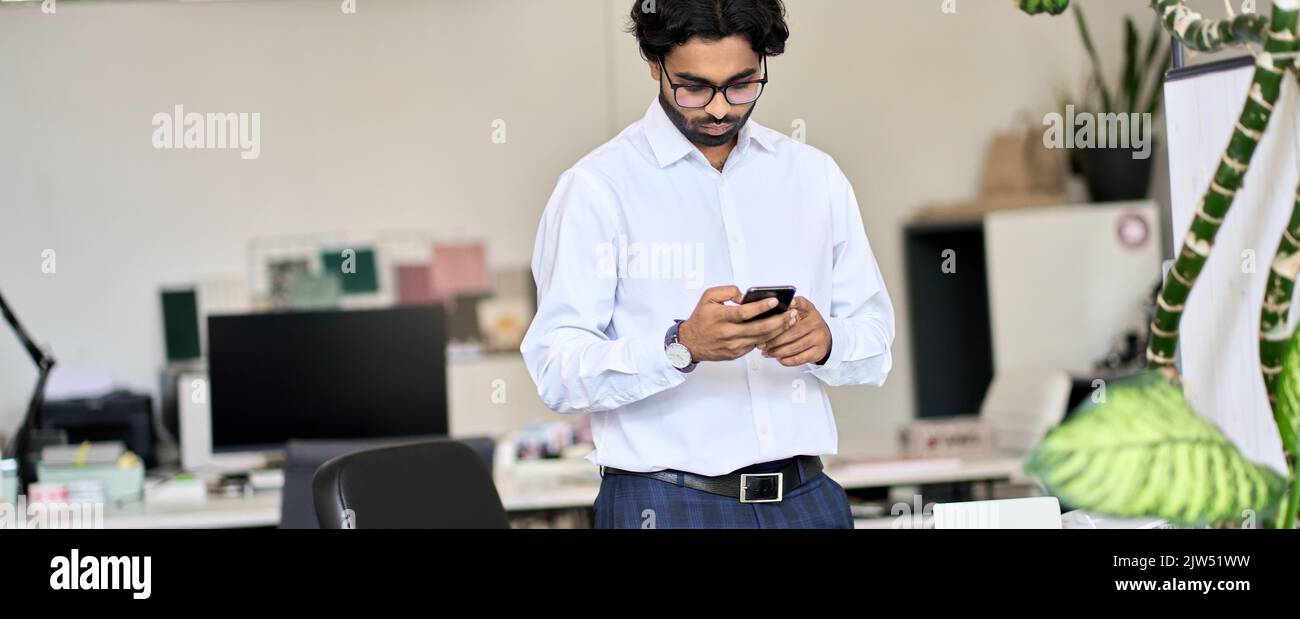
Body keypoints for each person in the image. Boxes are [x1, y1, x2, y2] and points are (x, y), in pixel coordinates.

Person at [520, 0, 895, 529]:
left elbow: (876, 341)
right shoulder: (597, 189)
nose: (719, 108)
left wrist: (827, 341)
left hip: (808, 499)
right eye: (694, 87)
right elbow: (556, 368)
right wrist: (681, 346)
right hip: (666, 505)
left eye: (742, 84)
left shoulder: (814, 176)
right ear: (655, 65)